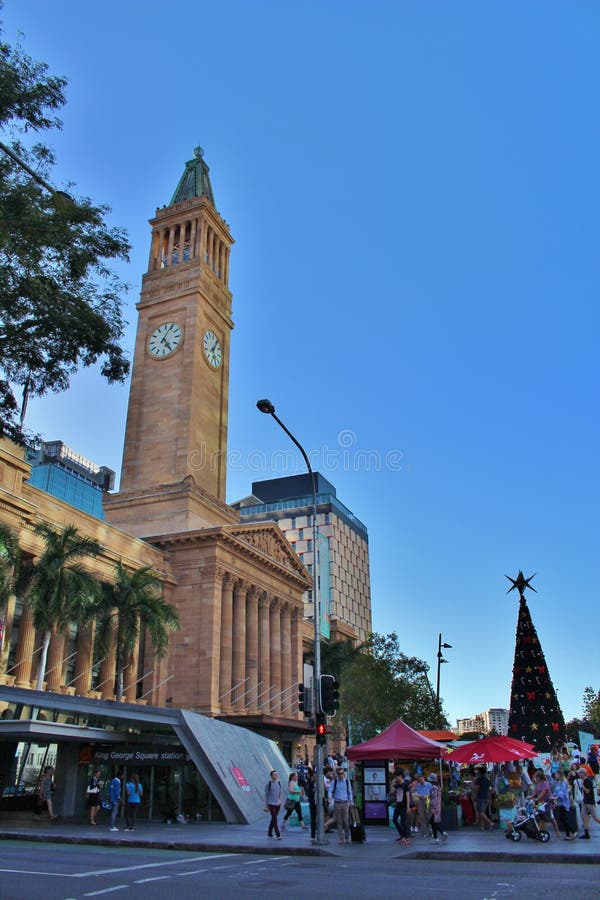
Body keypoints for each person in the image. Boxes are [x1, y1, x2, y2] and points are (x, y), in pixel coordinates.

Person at [329, 767, 353, 845]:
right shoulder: (334, 782)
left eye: (342, 773)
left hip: (345, 803)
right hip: (337, 803)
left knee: (345, 821)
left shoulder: (346, 781)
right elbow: (330, 790)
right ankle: (341, 838)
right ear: (337, 774)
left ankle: (347, 837)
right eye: (339, 774)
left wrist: (350, 801)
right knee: (339, 821)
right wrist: (329, 797)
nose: (341, 775)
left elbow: (349, 792)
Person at [552, 769, 577, 841]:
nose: (555, 775)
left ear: (559, 774)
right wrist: (554, 796)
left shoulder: (563, 782)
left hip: (564, 802)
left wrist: (556, 796)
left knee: (562, 818)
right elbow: (556, 790)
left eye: (556, 774)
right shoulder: (558, 782)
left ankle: (573, 832)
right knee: (563, 818)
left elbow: (563, 792)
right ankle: (568, 835)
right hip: (560, 802)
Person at [579, 767, 600, 840]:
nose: (579, 775)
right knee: (584, 816)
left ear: (583, 773)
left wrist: (583, 786)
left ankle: (586, 833)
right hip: (585, 802)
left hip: (590, 802)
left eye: (580, 773)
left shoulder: (587, 781)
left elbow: (588, 791)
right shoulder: (584, 781)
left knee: (595, 818)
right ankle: (586, 833)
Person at [390, 771, 410, 844]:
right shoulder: (397, 785)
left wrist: (408, 807)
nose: (396, 778)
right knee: (394, 819)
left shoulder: (405, 785)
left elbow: (408, 796)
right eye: (395, 777)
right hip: (398, 805)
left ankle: (406, 838)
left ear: (401, 776)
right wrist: (392, 783)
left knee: (403, 822)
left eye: (397, 777)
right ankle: (402, 835)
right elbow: (391, 792)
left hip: (404, 805)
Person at [427, 773, 447, 843]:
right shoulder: (438, 787)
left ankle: (437, 837)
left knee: (432, 822)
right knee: (433, 822)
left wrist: (433, 808)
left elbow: (434, 799)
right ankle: (440, 834)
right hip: (437, 807)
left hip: (434, 807)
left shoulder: (433, 788)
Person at [264, 769, 282, 839]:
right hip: (271, 803)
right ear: (271, 776)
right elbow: (266, 796)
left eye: (277, 774)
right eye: (274, 774)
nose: (276, 775)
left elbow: (279, 793)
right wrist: (266, 806)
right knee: (275, 819)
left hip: (278, 804)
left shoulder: (279, 783)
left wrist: (280, 801)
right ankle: (278, 834)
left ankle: (269, 832)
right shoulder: (269, 784)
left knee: (274, 818)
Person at [304, 767, 317, 840]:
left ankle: (320, 832)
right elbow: (308, 793)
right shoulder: (310, 783)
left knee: (319, 818)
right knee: (313, 818)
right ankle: (313, 834)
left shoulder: (321, 784)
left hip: (319, 803)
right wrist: (313, 790)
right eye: (315, 777)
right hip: (312, 802)